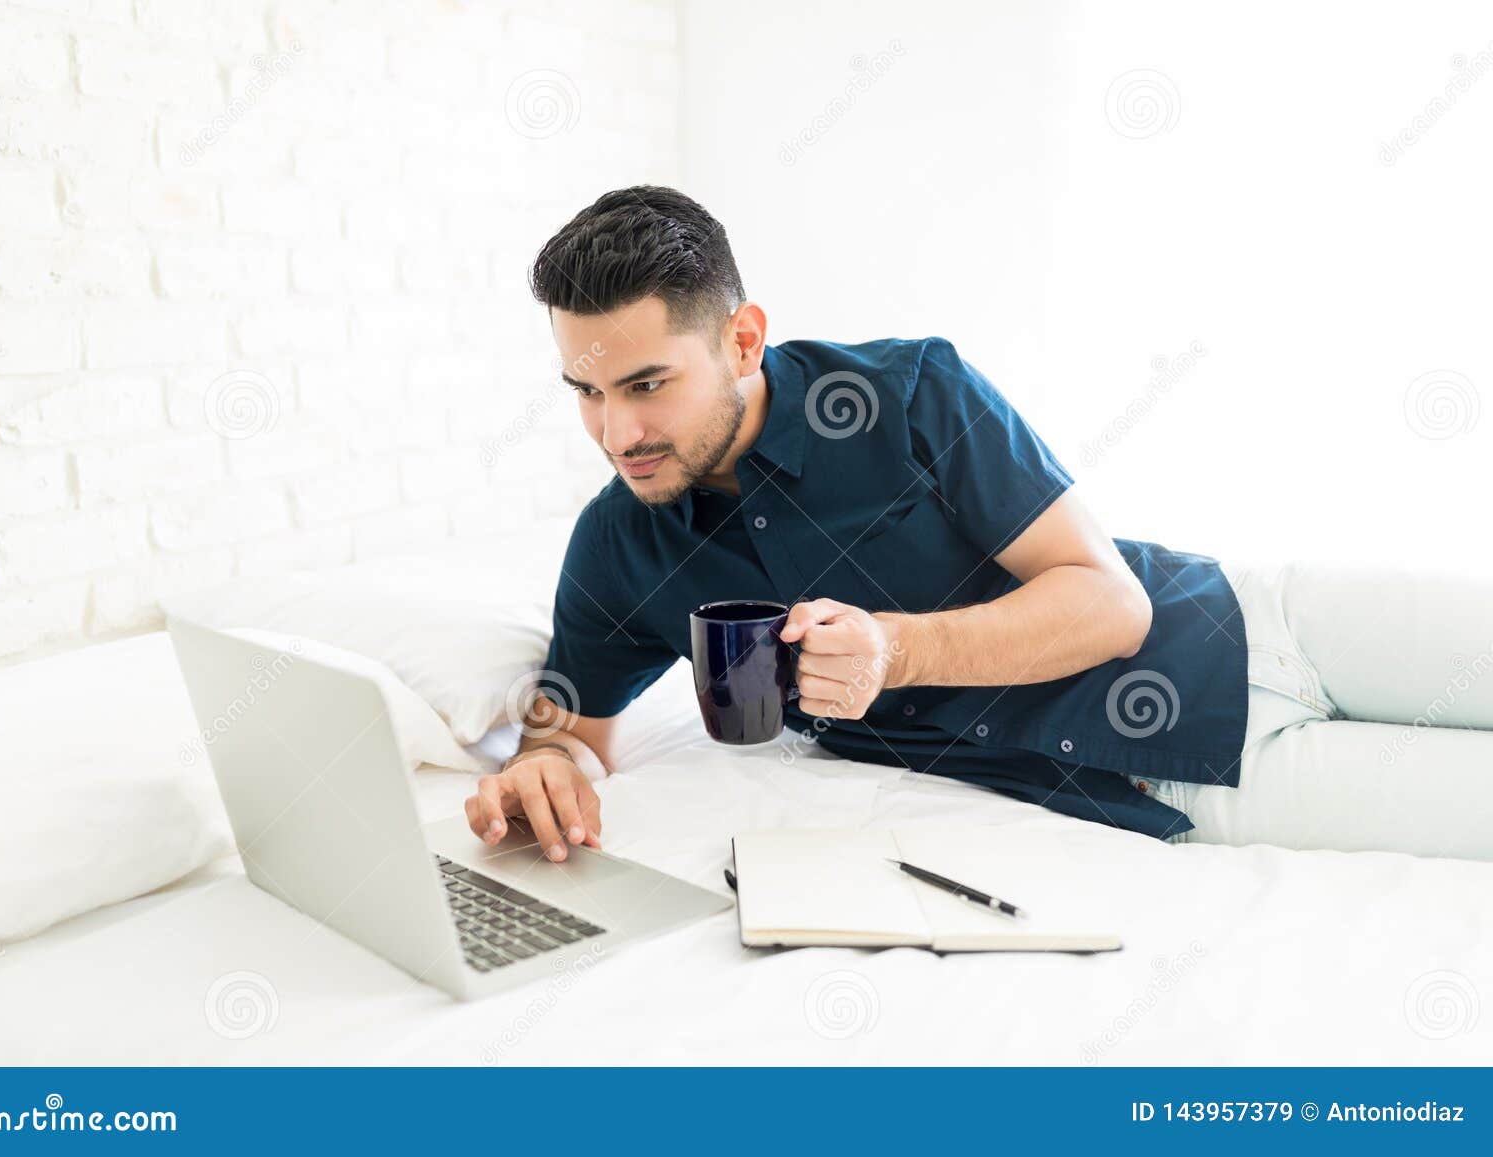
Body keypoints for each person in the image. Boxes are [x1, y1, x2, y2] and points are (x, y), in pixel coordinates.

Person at [463, 185, 1493, 865]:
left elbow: (1112, 602)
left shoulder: (910, 390)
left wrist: (895, 651)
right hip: (1191, 779)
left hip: (1270, 618)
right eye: (586, 391)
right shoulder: (619, 543)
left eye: (647, 384)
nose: (617, 433)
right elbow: (569, 734)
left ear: (742, 340)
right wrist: (545, 768)